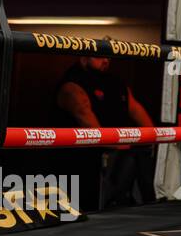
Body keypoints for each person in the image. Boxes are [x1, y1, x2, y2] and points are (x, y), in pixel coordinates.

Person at [56, 57, 156, 209]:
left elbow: (137, 112)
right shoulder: (73, 85)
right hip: (80, 162)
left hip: (116, 159)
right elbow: (94, 131)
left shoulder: (115, 82)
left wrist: (151, 137)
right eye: (99, 56)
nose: (105, 60)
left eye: (108, 56)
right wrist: (124, 143)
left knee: (136, 163)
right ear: (84, 57)